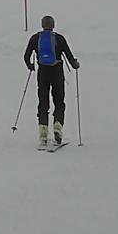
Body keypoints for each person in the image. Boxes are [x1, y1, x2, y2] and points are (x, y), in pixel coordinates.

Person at [23, 14, 79, 146]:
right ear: (53, 25)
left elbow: (26, 56)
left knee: (43, 102)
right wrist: (75, 64)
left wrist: (31, 66)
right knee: (59, 101)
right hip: (57, 72)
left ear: (42, 25)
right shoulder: (59, 38)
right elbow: (70, 56)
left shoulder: (35, 38)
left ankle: (43, 130)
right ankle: (57, 126)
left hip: (42, 72)